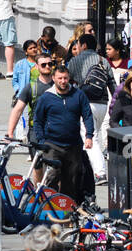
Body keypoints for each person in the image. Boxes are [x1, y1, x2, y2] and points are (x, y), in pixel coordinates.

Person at [30, 65, 94, 205]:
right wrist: (42, 141)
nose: (63, 81)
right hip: (52, 144)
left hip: (73, 144)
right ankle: (47, 206)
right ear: (53, 78)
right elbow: (38, 120)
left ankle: (66, 210)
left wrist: (89, 136)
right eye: (60, 78)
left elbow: (88, 116)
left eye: (65, 78)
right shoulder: (46, 97)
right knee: (52, 176)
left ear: (69, 78)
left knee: (71, 180)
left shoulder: (78, 95)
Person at [68, 33, 114, 182]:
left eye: (79, 45)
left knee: (90, 137)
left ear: (84, 46)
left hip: (85, 103)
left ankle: (100, 172)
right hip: (102, 104)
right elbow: (112, 84)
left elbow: (67, 83)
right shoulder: (104, 60)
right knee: (95, 134)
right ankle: (88, 169)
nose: (78, 48)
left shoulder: (75, 61)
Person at [8, 53, 57, 142]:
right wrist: (10, 133)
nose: (47, 66)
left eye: (50, 64)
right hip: (36, 130)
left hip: (56, 130)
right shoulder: (31, 87)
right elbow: (17, 110)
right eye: (43, 65)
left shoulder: (60, 85)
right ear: (37, 66)